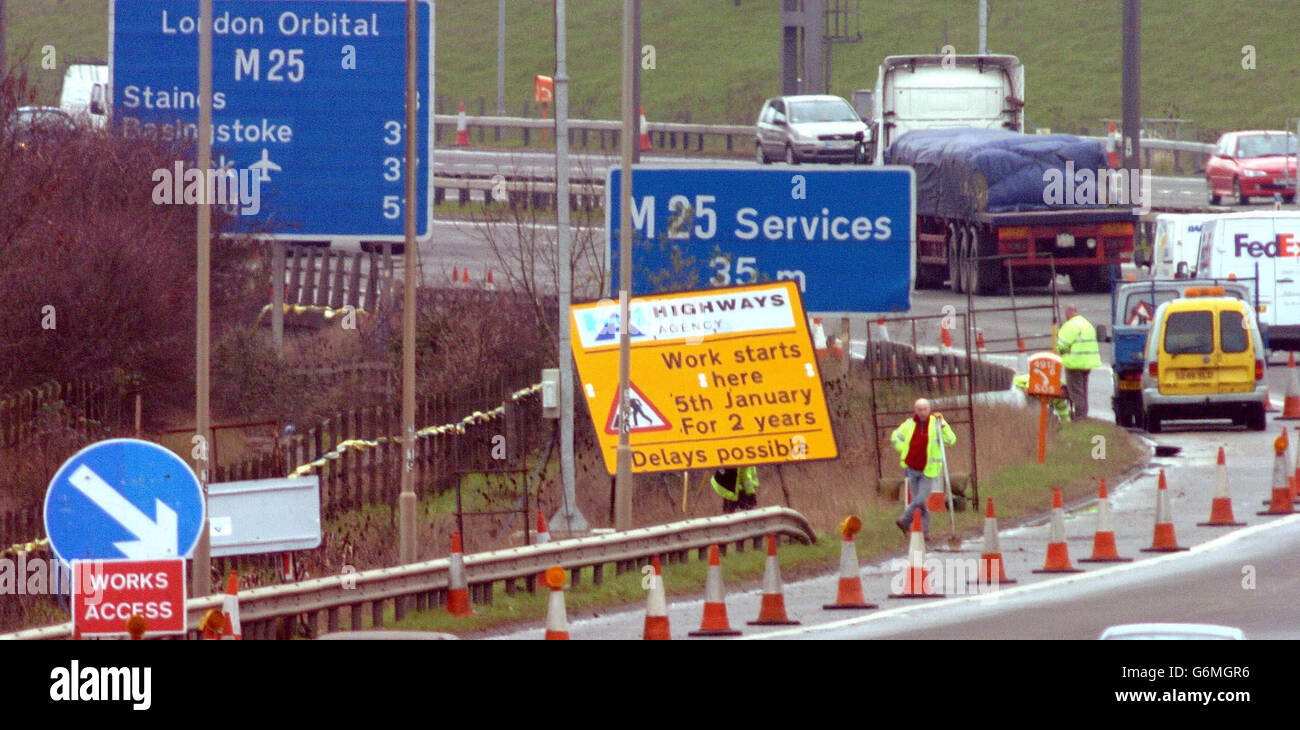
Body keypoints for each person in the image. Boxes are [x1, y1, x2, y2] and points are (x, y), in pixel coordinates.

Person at [891, 398, 956, 540]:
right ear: (915, 410)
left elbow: (951, 439)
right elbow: (895, 437)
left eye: (925, 409)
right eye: (919, 409)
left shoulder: (936, 423)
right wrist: (905, 450)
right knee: (919, 502)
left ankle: (904, 520)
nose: (922, 412)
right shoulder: (909, 424)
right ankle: (925, 533)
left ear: (929, 409)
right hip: (912, 467)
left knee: (920, 499)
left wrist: (943, 425)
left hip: (929, 469)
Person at [1056, 304, 1102, 420]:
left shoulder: (1070, 326)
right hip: (1087, 363)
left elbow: (1062, 346)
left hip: (1074, 363)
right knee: (1083, 391)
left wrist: (1058, 351)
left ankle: (1079, 418)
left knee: (1076, 393)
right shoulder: (1087, 324)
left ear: (1068, 313)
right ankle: (1084, 415)